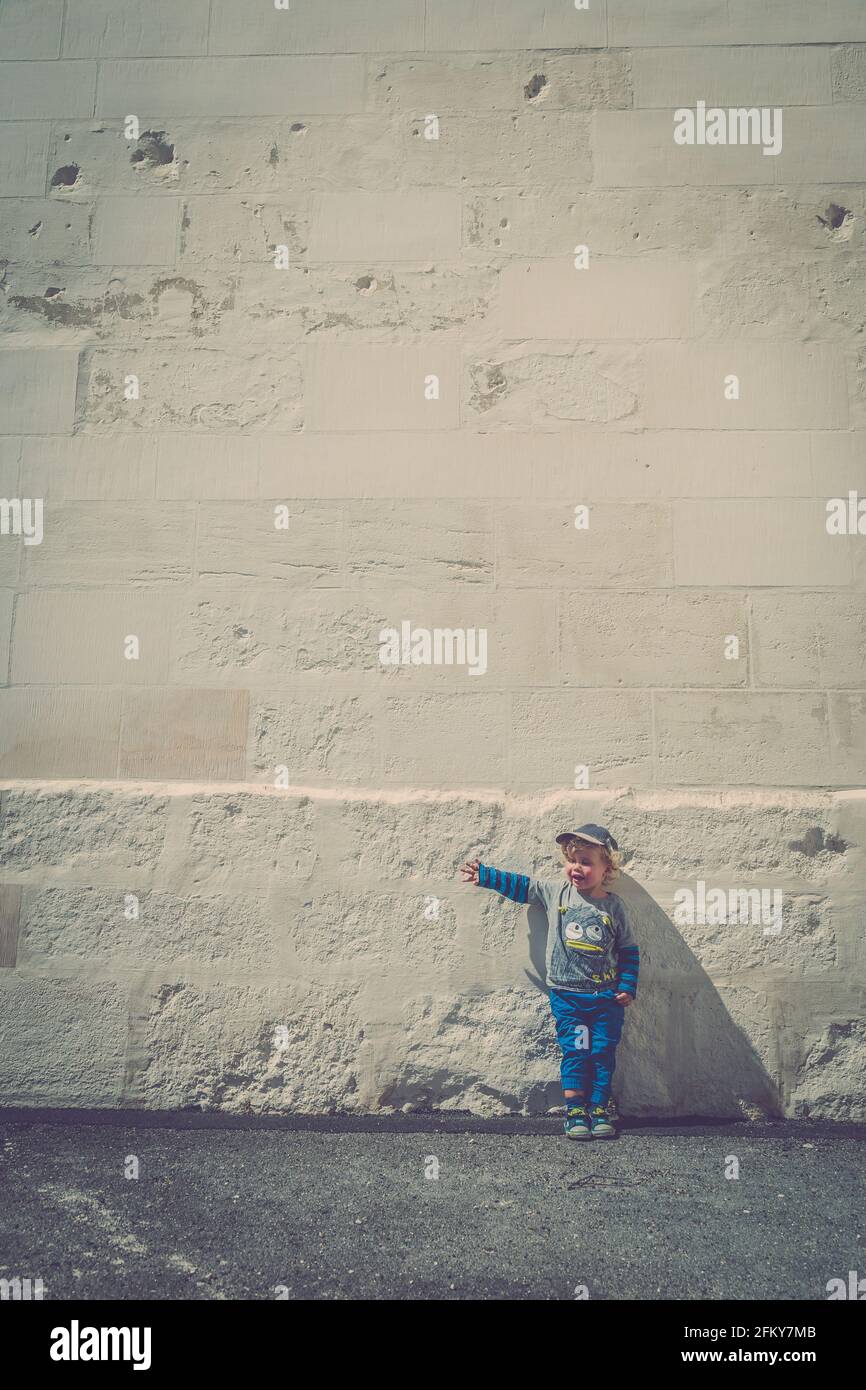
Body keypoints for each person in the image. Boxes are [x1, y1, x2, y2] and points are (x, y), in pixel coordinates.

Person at [460, 824, 639, 1139]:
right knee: (576, 1051)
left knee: (601, 1053)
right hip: (569, 999)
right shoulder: (557, 893)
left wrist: (626, 986)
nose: (576, 868)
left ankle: (598, 1110)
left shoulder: (614, 906)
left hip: (604, 1001)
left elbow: (628, 950)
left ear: (606, 868)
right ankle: (575, 1113)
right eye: (572, 860)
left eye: (586, 861)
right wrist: (487, 876)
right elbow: (524, 887)